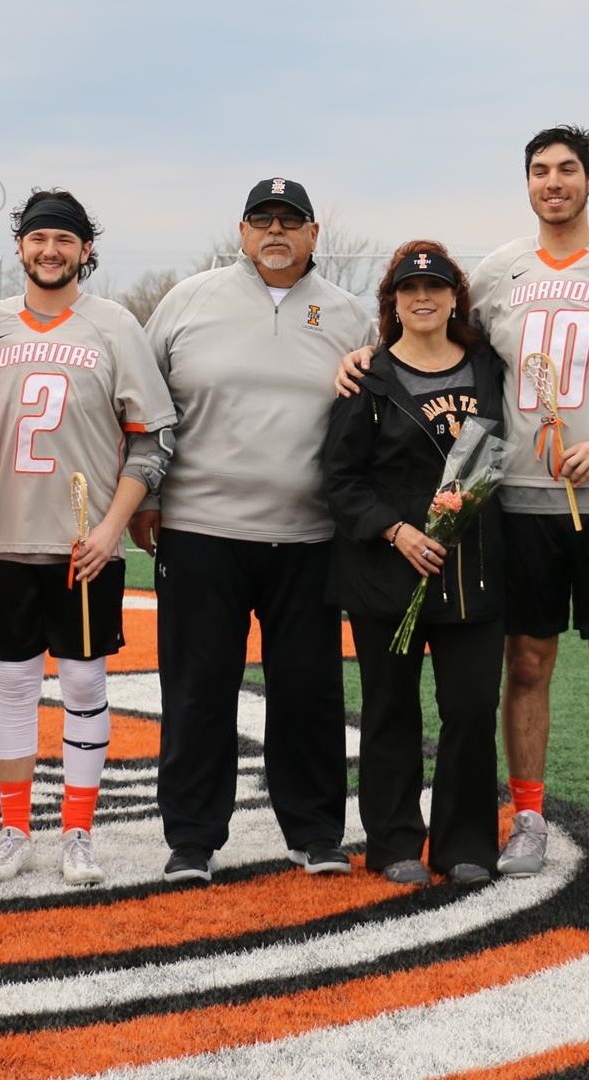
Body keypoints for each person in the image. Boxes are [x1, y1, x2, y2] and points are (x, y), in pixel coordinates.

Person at [338, 127, 589, 881]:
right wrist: (365, 352)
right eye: (539, 171)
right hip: (517, 505)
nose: (553, 182)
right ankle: (527, 817)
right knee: (525, 664)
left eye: (567, 170)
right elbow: (432, 340)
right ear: (526, 183)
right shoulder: (498, 272)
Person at [136, 177, 375, 885]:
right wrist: (147, 497)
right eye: (261, 219)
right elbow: (144, 409)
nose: (275, 231)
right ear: (241, 231)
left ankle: (315, 832)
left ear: (312, 234)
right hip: (200, 528)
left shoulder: (349, 314)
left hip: (308, 537)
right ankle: (192, 838)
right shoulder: (188, 300)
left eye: (289, 220)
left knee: (308, 692)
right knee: (197, 690)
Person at [0, 189, 177, 887]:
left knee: (84, 681)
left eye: (64, 239)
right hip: (2, 540)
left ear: (86, 249)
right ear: (19, 246)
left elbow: (151, 438)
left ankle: (78, 831)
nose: (50, 251)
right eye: (38, 238)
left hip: (85, 544)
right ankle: (14, 829)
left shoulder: (113, 325)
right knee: (13, 684)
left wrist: (112, 529)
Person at [321, 242, 507, 887]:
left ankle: (465, 846)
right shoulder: (367, 377)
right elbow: (340, 478)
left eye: (435, 286)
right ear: (392, 302)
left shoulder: (489, 366)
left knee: (472, 710)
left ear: (456, 297)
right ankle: (394, 841)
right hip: (387, 571)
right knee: (390, 710)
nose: (422, 297)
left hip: (473, 570)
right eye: (408, 288)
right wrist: (395, 530)